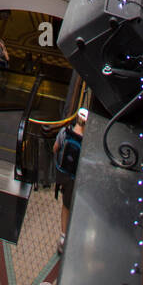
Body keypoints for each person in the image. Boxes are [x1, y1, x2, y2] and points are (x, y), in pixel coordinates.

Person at [54, 107, 87, 251]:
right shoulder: (86, 142)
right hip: (76, 178)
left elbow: (55, 148)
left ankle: (63, 237)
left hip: (63, 174)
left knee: (65, 205)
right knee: (71, 204)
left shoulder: (65, 132)